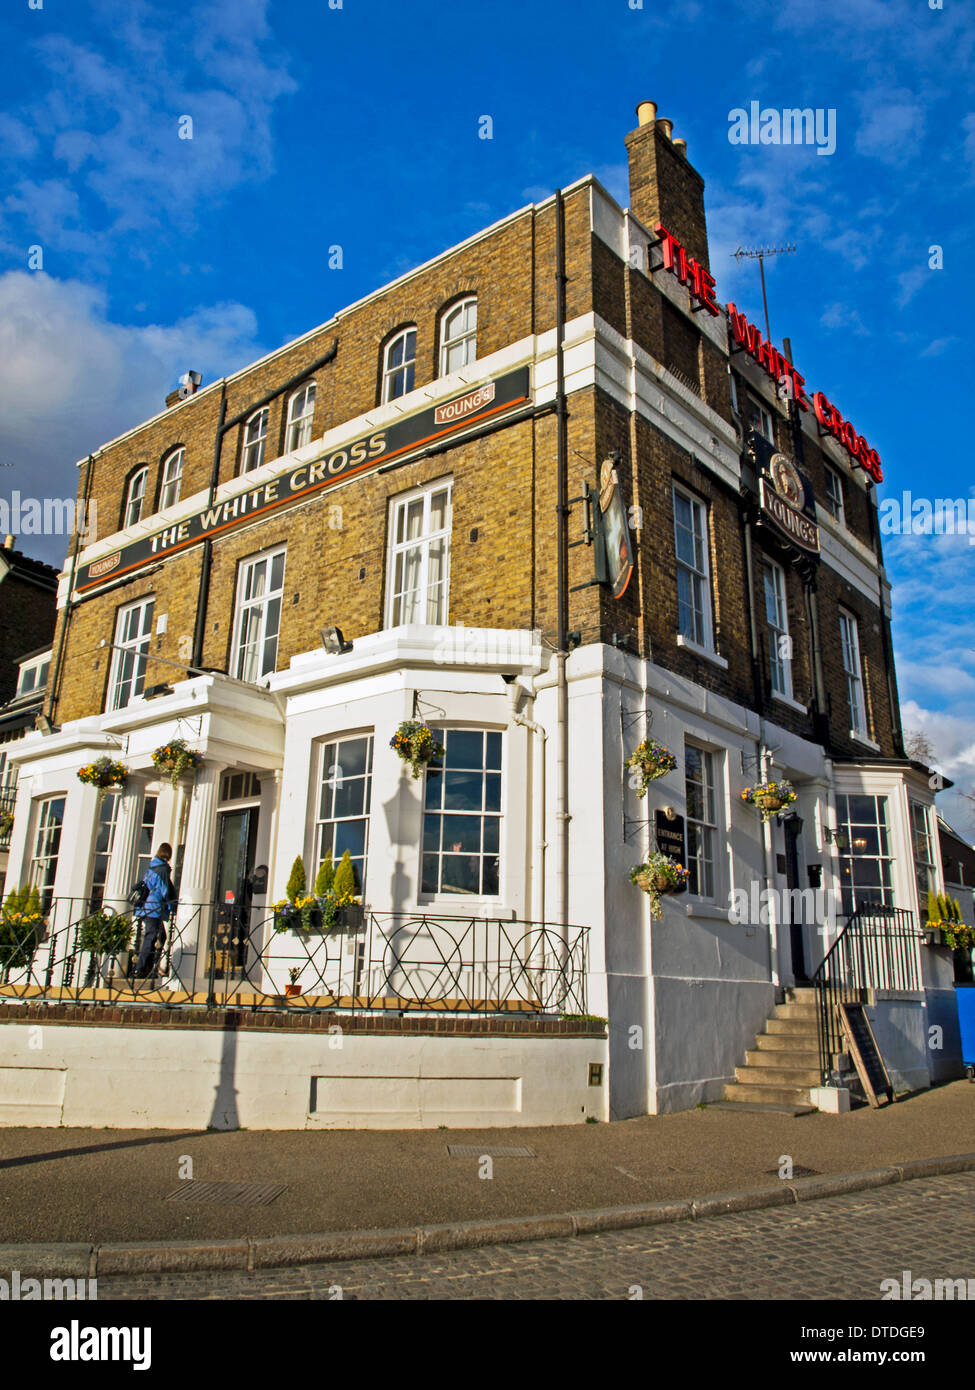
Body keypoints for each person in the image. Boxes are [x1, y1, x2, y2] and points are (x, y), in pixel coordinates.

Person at [133, 844, 177, 978]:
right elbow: (165, 890)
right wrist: (172, 906)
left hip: (146, 906)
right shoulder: (163, 869)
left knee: (159, 936)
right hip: (154, 907)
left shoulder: (153, 866)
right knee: (152, 936)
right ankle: (142, 968)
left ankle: (147, 967)